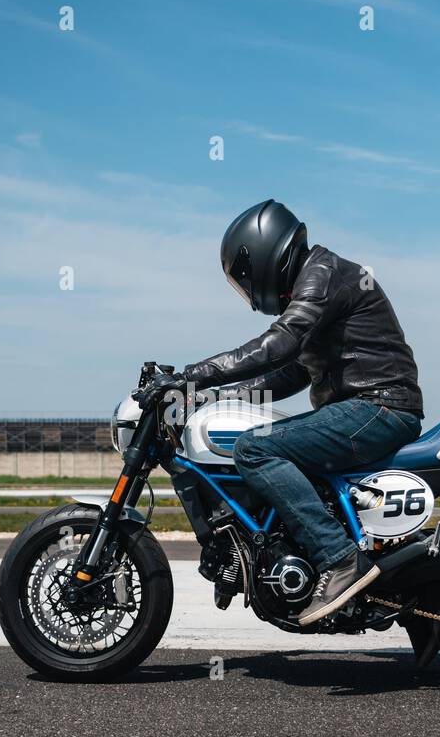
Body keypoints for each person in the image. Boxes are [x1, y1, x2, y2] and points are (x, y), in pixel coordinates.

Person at [181, 199, 425, 625]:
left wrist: (195, 374)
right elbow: (292, 372)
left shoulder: (323, 273)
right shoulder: (319, 279)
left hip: (378, 406)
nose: (248, 290)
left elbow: (281, 343)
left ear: (260, 256)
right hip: (362, 408)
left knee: (253, 451)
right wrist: (212, 397)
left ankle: (340, 559)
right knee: (262, 446)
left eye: (244, 278)